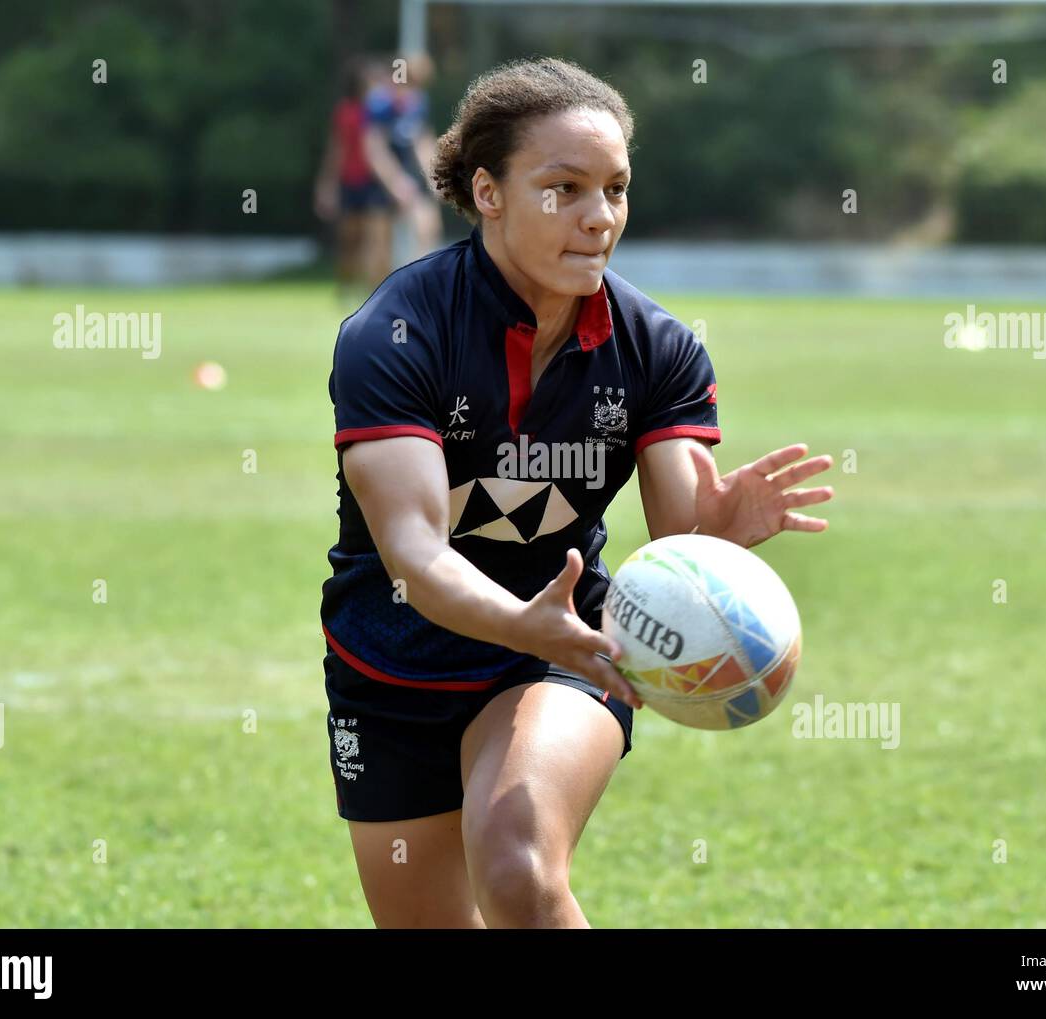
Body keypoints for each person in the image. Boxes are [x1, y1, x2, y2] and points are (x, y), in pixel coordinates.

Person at [320, 56, 834, 929]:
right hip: (390, 660)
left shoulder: (657, 347)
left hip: (564, 648)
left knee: (517, 863)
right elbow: (414, 553)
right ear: (488, 192)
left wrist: (715, 530)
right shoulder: (397, 333)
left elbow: (679, 533)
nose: (600, 217)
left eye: (616, 190)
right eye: (564, 188)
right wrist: (518, 617)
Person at [313, 56, 392, 290]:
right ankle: (347, 284)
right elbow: (336, 149)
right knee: (350, 238)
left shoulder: (381, 112)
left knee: (378, 237)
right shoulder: (346, 112)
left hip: (375, 182)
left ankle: (378, 290)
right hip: (351, 180)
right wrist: (327, 185)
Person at [360, 51, 443, 273]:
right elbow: (375, 150)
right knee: (380, 244)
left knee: (427, 226)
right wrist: (395, 182)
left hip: (408, 168)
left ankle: (418, 283)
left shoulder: (418, 102)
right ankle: (378, 290)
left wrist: (435, 176)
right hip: (381, 176)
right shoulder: (378, 104)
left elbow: (423, 142)